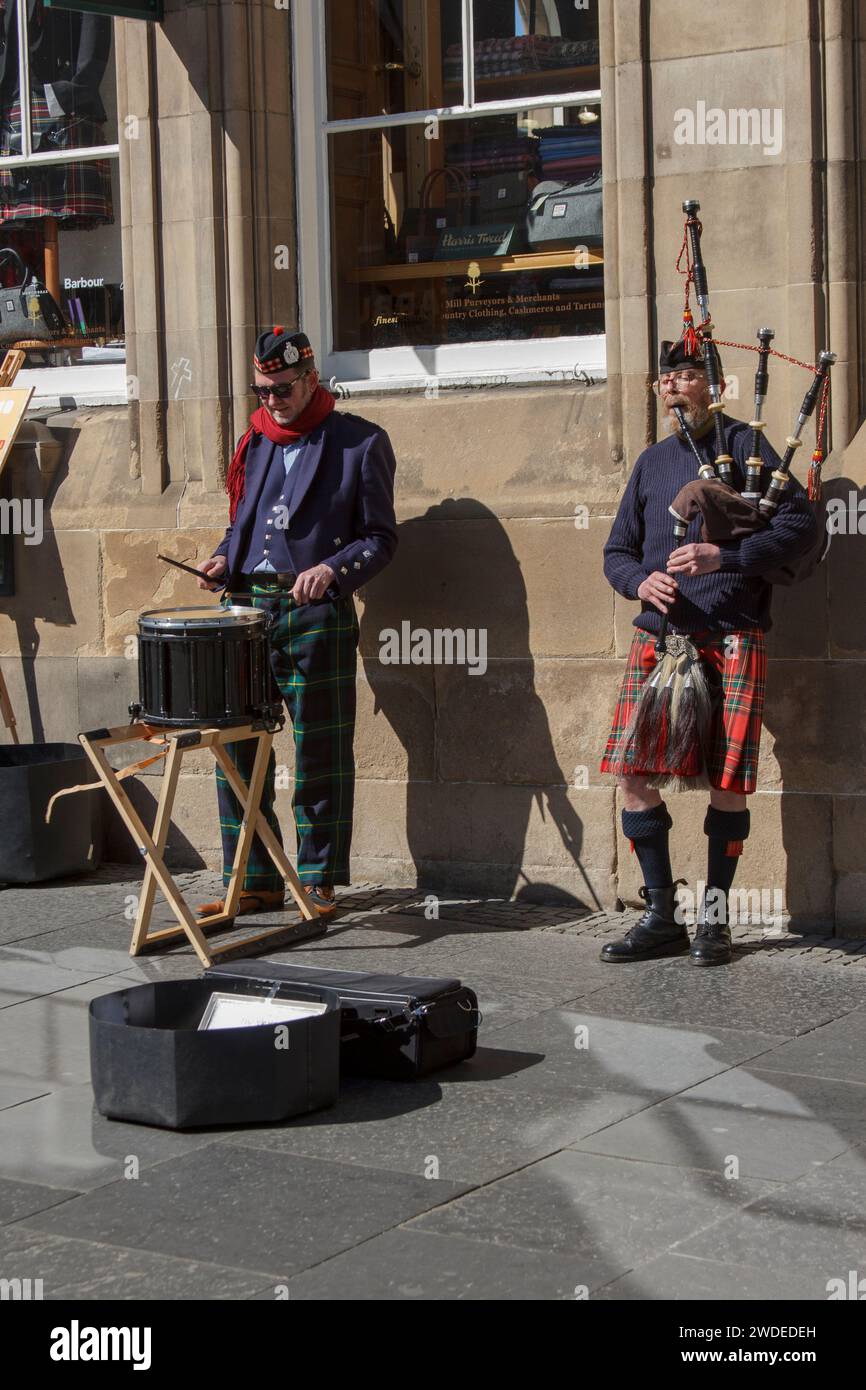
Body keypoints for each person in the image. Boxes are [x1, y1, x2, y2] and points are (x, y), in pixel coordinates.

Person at [598, 337, 818, 965]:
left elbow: (799, 526)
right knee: (635, 775)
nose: (671, 387)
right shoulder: (650, 463)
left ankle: (715, 921)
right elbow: (615, 551)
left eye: (686, 375)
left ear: (713, 386)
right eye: (664, 378)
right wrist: (640, 582)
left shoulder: (747, 446)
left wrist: (727, 556)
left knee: (728, 779)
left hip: (733, 630)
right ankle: (661, 914)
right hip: (662, 638)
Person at [196, 328, 398, 918]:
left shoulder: (359, 443)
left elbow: (381, 539)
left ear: (310, 378)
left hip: (312, 611)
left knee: (320, 748)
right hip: (243, 609)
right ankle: (254, 880)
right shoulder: (254, 441)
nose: (272, 401)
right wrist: (221, 558)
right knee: (234, 746)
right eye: (261, 391)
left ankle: (317, 879)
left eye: (282, 388)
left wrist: (333, 570)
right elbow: (244, 525)